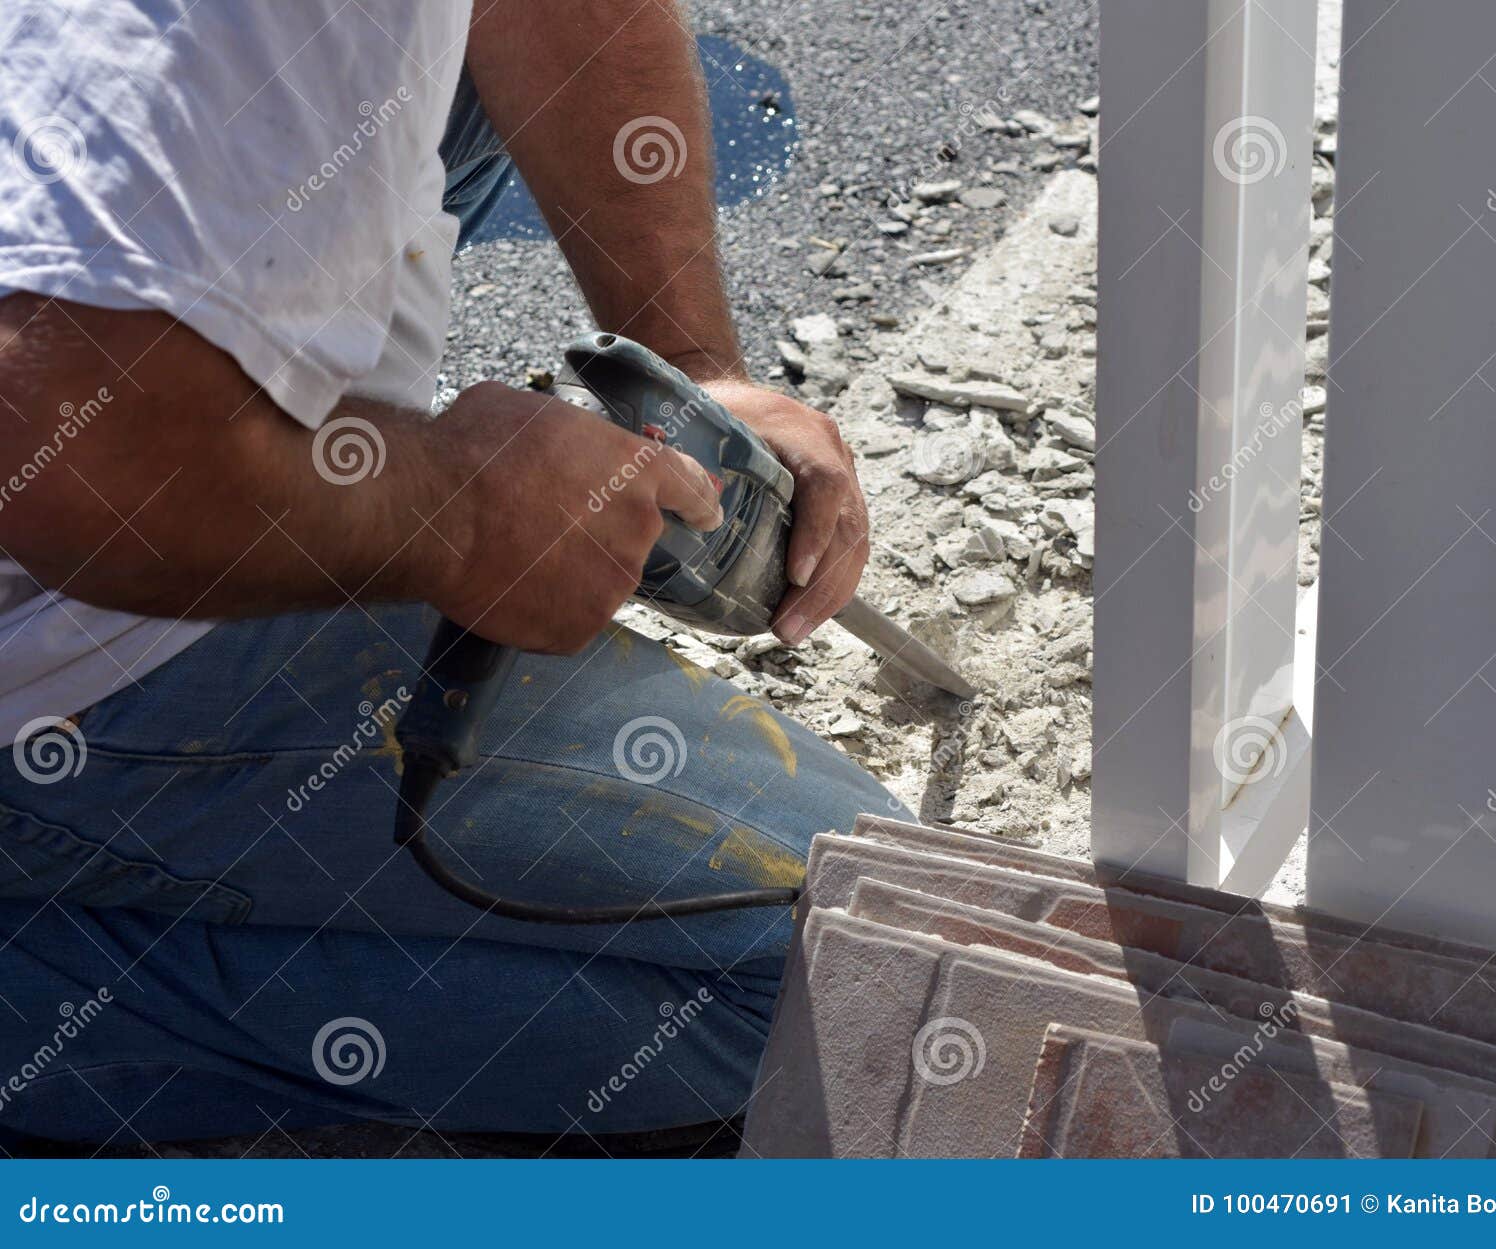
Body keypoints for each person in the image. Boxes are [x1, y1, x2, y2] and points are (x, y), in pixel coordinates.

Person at [0, 0, 900, 1151]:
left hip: (96, 396)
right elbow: (81, 462)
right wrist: (451, 511)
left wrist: (689, 364)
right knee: (839, 979)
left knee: (434, 84)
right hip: (77, 579)